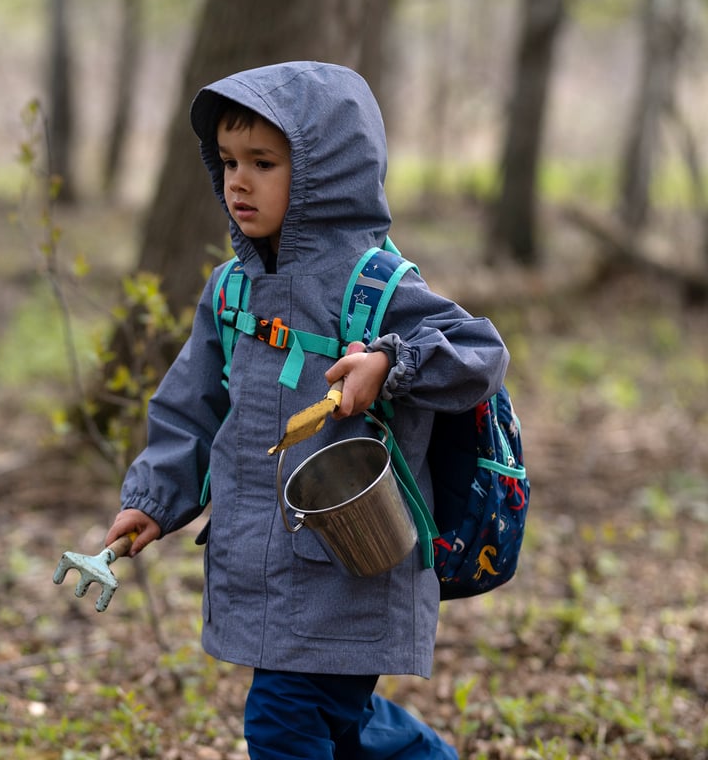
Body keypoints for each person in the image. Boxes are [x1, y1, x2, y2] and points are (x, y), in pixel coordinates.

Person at [105, 61, 509, 759]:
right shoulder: (231, 290)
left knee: (284, 719)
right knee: (341, 724)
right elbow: (191, 409)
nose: (238, 181)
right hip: (260, 563)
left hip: (350, 565)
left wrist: (390, 362)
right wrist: (154, 499)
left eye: (263, 163)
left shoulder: (375, 283)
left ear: (327, 174)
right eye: (229, 161)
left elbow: (480, 352)